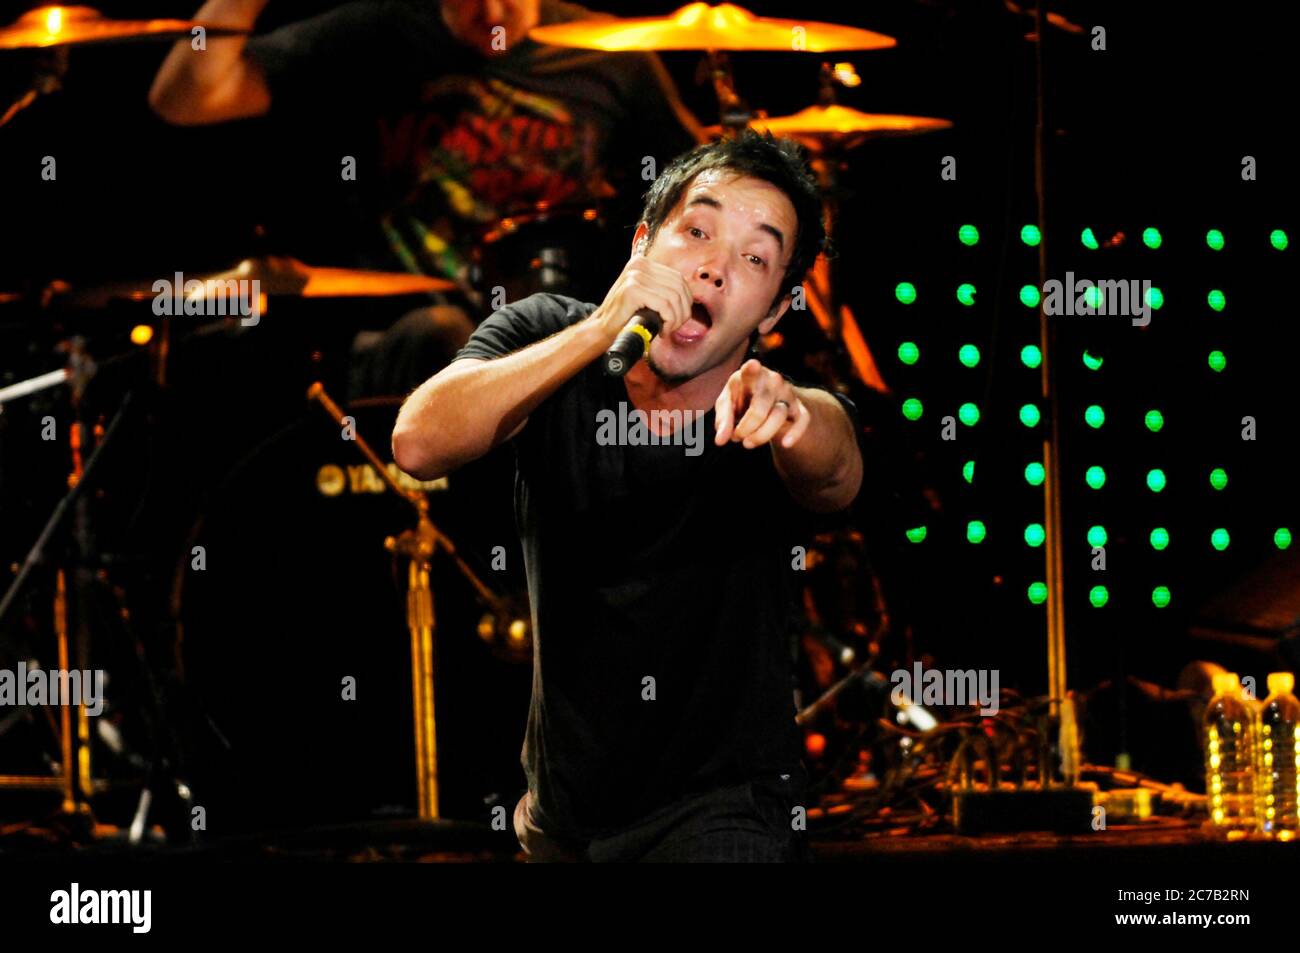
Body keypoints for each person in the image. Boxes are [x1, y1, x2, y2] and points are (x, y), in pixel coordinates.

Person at [392, 129, 865, 862]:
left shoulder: (768, 404)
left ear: (772, 311)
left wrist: (797, 417)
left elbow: (835, 468)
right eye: (697, 231)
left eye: (755, 258)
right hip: (561, 818)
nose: (712, 269)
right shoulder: (546, 334)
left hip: (722, 813)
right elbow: (419, 442)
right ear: (642, 244)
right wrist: (599, 328)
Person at [148, 0, 704, 396]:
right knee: (441, 338)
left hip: (570, 324)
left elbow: (701, 190)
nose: (489, 14)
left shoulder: (608, 55)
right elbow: (185, 99)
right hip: (406, 334)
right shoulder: (375, 38)